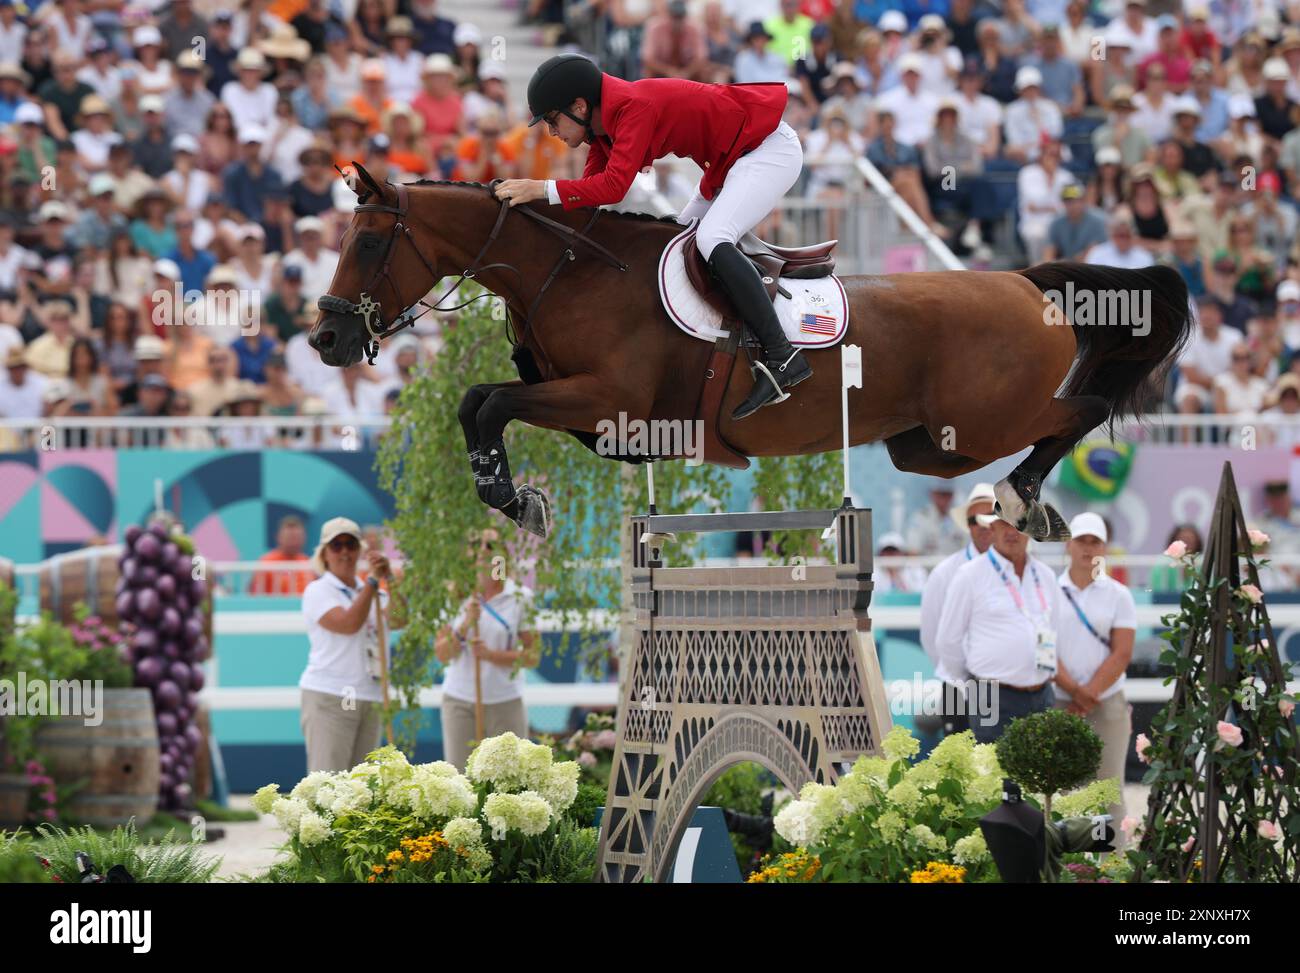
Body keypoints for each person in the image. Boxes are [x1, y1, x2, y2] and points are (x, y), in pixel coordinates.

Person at [493, 53, 811, 421]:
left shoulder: (633, 107)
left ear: (579, 105)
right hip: (731, 162)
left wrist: (539, 188)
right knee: (674, 243)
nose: (551, 132)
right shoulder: (603, 126)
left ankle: (781, 353)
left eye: (552, 120)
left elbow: (612, 188)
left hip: (767, 150)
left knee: (711, 239)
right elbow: (586, 196)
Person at [935, 512, 1066, 743]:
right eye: (1004, 523)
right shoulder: (970, 575)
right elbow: (947, 640)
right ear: (992, 528)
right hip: (991, 696)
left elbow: (1053, 629)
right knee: (995, 776)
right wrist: (973, 681)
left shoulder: (1044, 575)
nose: (1011, 530)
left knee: (1040, 775)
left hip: (1041, 694)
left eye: (1019, 523)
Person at [1054, 512, 1137, 840]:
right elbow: (1044, 648)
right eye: (1081, 540)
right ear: (1068, 545)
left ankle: (1111, 870)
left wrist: (1087, 695)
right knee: (1062, 791)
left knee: (1109, 790)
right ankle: (1065, 868)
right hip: (1060, 702)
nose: (1088, 548)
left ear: (1104, 547)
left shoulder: (1119, 594)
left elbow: (1122, 652)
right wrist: (1075, 691)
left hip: (1107, 704)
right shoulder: (1048, 591)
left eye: (1095, 541)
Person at [299, 517, 406, 773]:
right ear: (324, 554)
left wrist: (389, 579)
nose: (345, 552)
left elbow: (400, 619)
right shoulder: (318, 590)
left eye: (351, 545)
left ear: (359, 550)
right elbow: (349, 624)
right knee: (329, 784)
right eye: (337, 546)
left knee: (362, 787)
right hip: (331, 695)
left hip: (370, 694)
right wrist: (372, 582)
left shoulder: (373, 592)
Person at [434, 527, 540, 769]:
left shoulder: (520, 597)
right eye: (477, 544)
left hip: (505, 700)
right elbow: (442, 653)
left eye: (490, 546)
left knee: (507, 777)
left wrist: (492, 656)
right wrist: (464, 625)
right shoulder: (453, 596)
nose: (483, 551)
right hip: (460, 700)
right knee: (461, 776)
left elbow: (533, 656)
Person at [919, 482, 996, 736]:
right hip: (959, 685)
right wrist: (959, 677)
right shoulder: (945, 572)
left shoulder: (1016, 570)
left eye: (990, 517)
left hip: (1005, 685)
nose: (983, 525)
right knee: (959, 765)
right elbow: (931, 636)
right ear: (968, 525)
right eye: (975, 519)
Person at [251, 514, 316, 595]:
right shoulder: (266, 562)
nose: (294, 542)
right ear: (278, 537)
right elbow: (254, 595)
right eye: (290, 537)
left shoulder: (307, 562)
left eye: (297, 537)